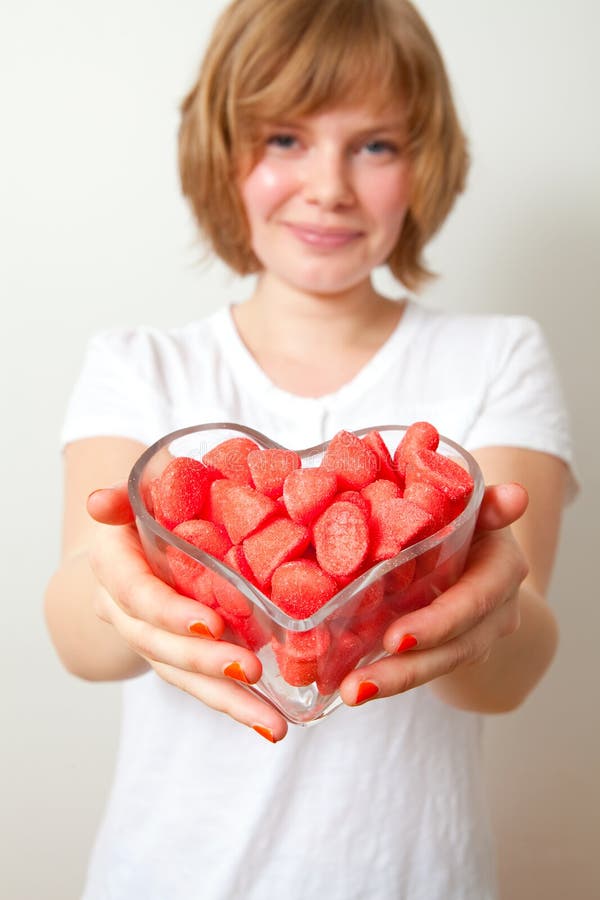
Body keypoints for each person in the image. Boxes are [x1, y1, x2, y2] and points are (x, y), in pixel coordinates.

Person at [44, 1, 576, 898]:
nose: (329, 184)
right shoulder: (139, 366)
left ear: (426, 166)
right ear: (221, 152)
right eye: (285, 138)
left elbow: (502, 680)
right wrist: (116, 585)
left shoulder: (498, 355)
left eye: (376, 145)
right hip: (171, 874)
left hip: (411, 877)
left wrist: (486, 606)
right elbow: (80, 640)